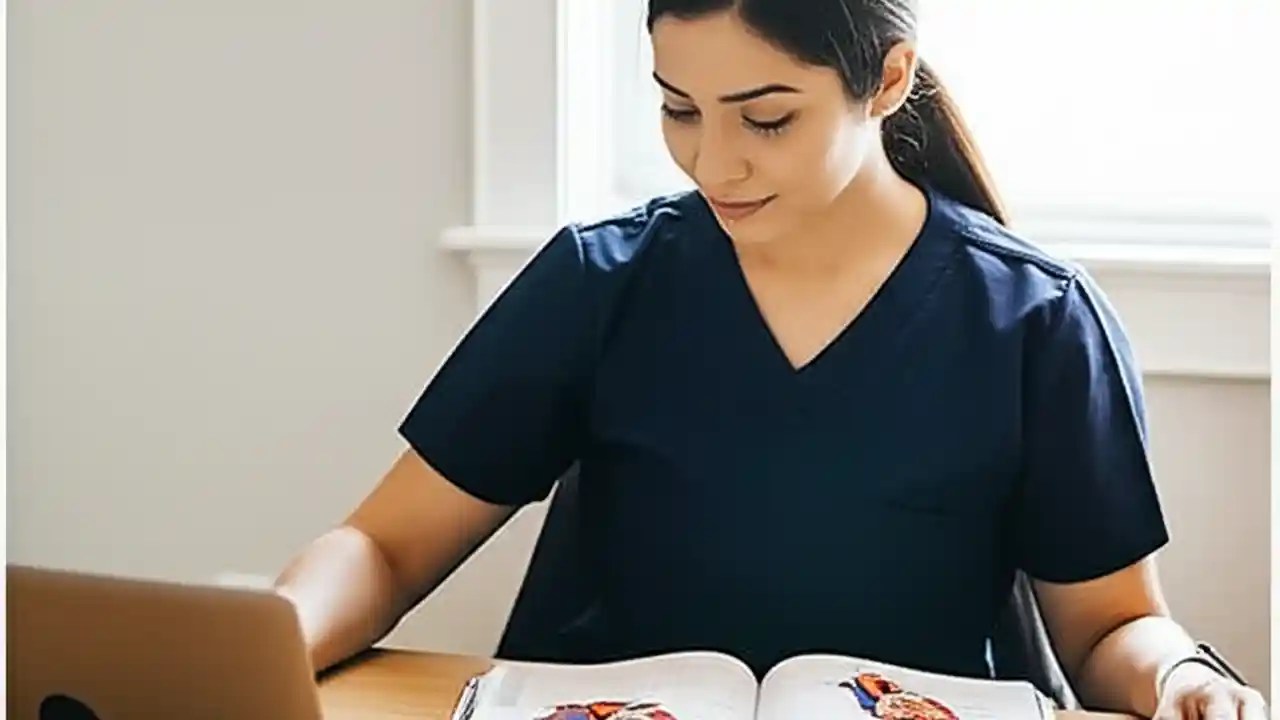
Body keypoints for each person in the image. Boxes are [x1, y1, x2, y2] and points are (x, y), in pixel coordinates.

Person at [274, 2, 1268, 719]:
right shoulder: (601, 281)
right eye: (677, 109)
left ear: (884, 80)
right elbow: (387, 547)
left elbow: (1106, 634)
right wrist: (271, 636)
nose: (712, 163)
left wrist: (1181, 680)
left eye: (764, 119)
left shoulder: (1035, 321)